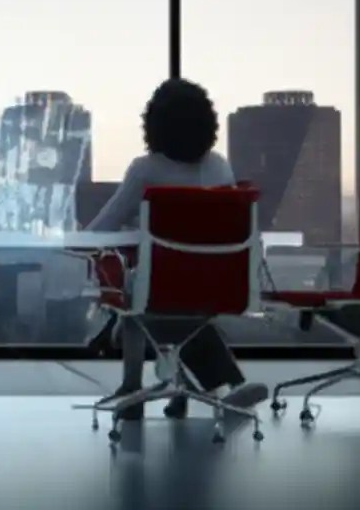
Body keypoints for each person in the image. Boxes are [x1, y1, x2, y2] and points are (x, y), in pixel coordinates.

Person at [86, 78, 268, 421]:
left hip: (161, 288)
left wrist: (138, 231)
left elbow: (101, 229)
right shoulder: (219, 166)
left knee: (137, 295)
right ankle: (219, 387)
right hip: (219, 286)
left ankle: (133, 388)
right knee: (177, 309)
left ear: (153, 124)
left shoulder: (146, 169)